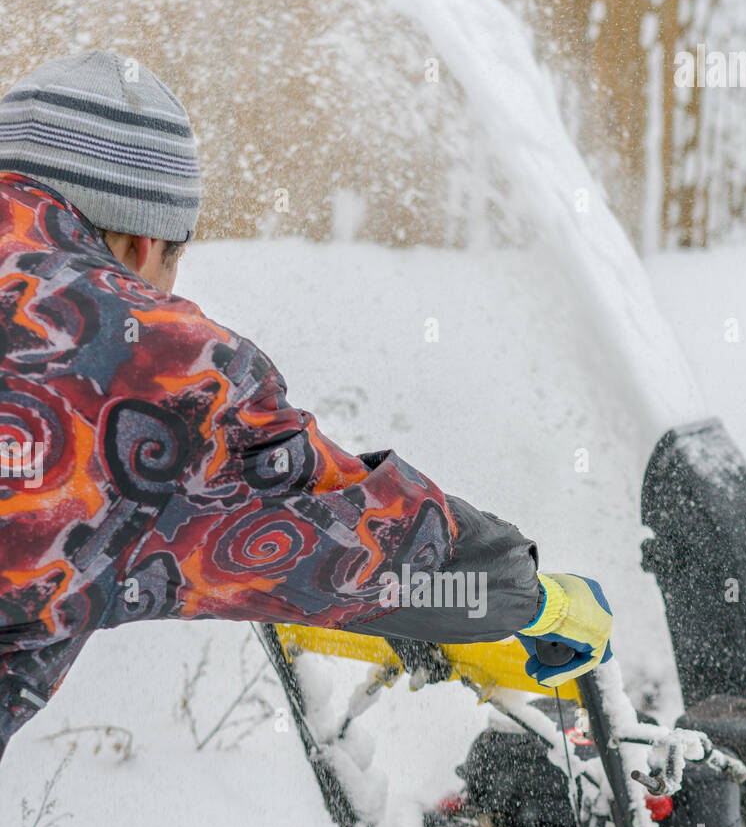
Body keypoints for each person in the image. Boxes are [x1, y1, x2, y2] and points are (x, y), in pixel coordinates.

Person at [0, 51, 612, 764]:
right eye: (175, 259)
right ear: (144, 243)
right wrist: (533, 598)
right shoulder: (145, 363)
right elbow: (355, 545)